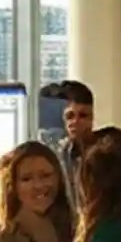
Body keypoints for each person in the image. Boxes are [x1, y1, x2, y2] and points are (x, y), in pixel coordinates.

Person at [44, 80, 95, 212]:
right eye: (70, 116)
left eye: (83, 116)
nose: (76, 122)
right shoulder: (58, 155)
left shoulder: (103, 154)